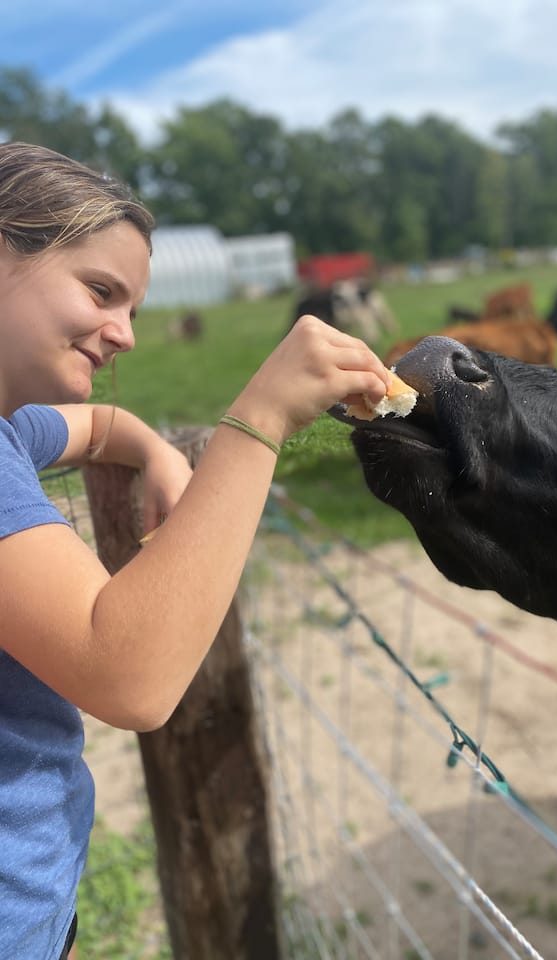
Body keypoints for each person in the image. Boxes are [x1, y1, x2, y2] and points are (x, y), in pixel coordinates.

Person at [0, 141, 392, 960]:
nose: (126, 335)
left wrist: (157, 453)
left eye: (134, 308)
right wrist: (260, 422)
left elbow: (100, 426)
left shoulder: (9, 427)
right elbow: (130, 676)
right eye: (101, 291)